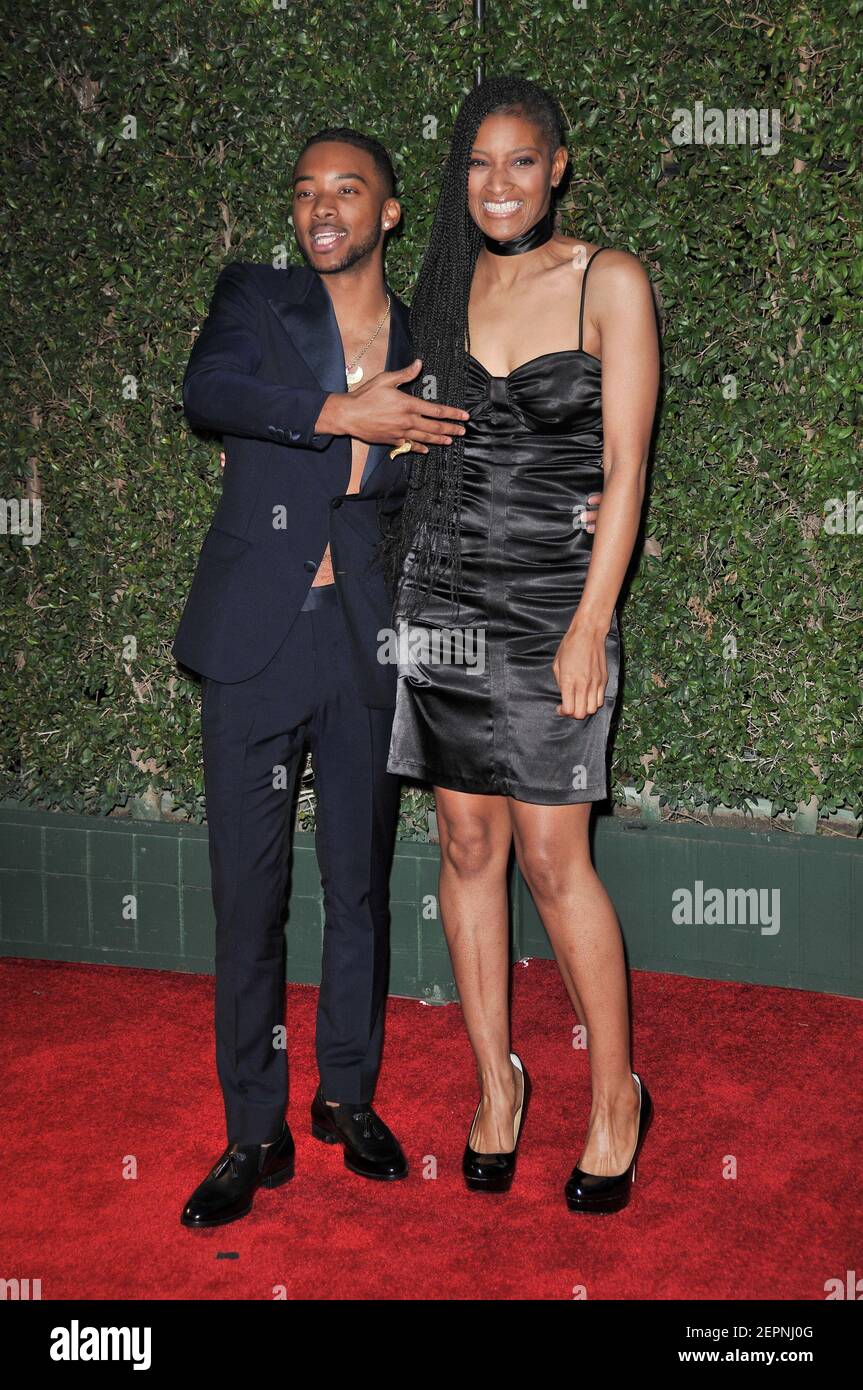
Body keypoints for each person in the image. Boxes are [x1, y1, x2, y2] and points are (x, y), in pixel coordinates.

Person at [173, 127, 472, 1228]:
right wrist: (341, 416)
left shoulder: (428, 337)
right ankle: (253, 1129)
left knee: (356, 887)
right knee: (247, 899)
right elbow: (211, 395)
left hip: (362, 643)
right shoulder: (254, 298)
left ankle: (344, 1093)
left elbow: (438, 478)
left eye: (348, 189)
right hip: (254, 642)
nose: (322, 206)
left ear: (388, 212)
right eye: (305, 191)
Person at [382, 78, 660, 1212]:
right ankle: (495, 1084)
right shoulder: (438, 292)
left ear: (557, 168)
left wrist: (591, 619)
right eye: (477, 164)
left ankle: (613, 1100)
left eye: (519, 162)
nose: (497, 184)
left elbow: (625, 469)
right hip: (441, 593)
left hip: (556, 604)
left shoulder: (608, 280)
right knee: (462, 844)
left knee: (553, 858)